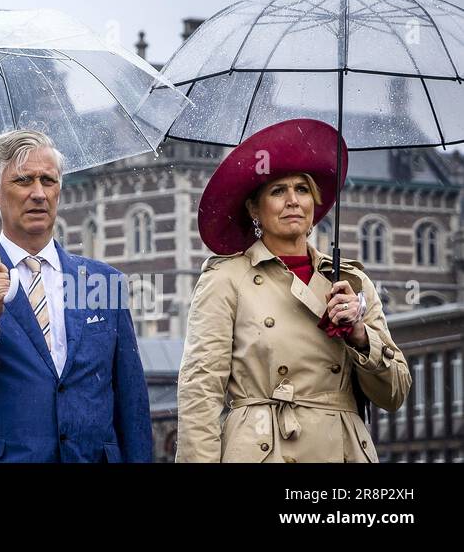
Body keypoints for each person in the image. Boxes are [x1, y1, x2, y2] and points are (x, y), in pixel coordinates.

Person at [176, 118, 410, 462]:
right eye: (277, 191)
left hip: (343, 449)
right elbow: (201, 390)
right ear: (254, 208)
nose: (292, 201)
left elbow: (395, 394)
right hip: (263, 448)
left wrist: (360, 337)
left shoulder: (351, 283)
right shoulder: (225, 278)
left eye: (302, 189)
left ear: (315, 204)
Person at [0, 129, 152, 462]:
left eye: (48, 181)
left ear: (60, 190)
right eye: (23, 181)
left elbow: (133, 405)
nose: (38, 193)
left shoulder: (103, 281)